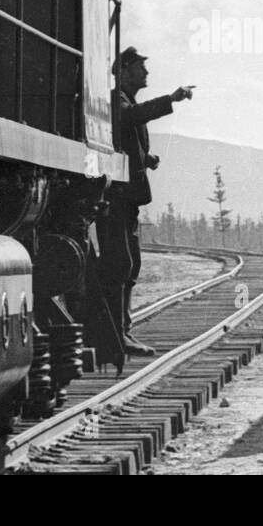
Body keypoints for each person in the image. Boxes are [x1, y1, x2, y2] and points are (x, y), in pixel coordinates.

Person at [99, 46, 193, 356]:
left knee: (131, 262)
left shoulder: (126, 102)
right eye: (141, 67)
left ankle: (120, 332)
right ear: (124, 72)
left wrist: (145, 157)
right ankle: (114, 335)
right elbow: (128, 120)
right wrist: (171, 99)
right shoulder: (118, 101)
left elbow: (126, 133)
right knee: (120, 264)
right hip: (117, 197)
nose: (146, 73)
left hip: (128, 198)